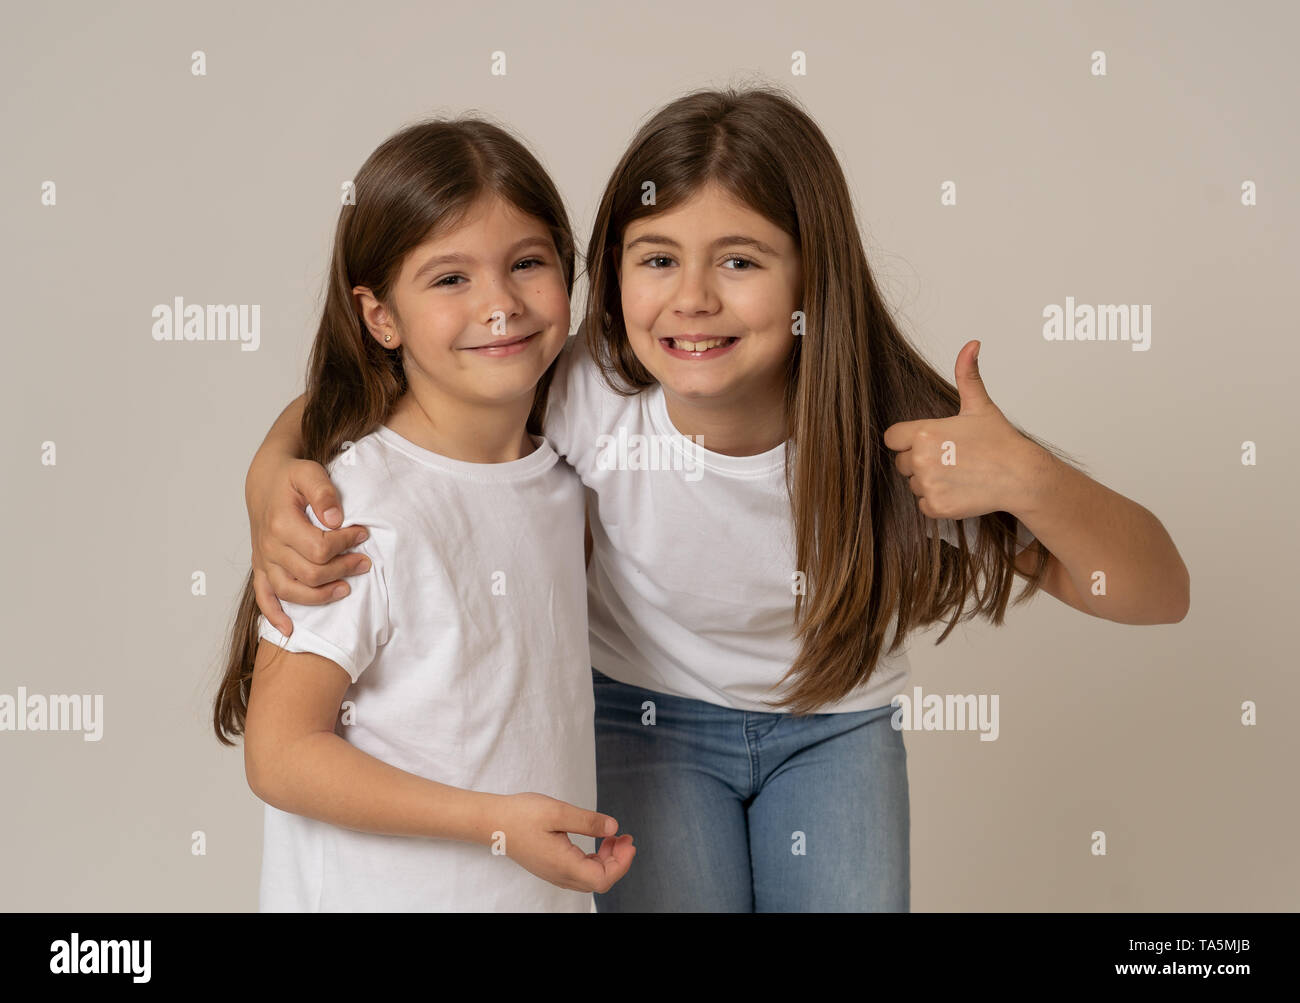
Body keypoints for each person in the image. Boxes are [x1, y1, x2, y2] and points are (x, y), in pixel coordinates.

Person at [241, 86, 1189, 911]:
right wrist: (270, 470)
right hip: (650, 722)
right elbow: (403, 393)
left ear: (813, 274)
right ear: (612, 273)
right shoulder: (586, 395)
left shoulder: (892, 434)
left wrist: (1029, 475)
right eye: (657, 259)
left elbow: (1156, 590)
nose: (691, 299)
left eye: (739, 261)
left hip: (835, 727)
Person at [213, 116, 635, 912]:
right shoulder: (354, 508)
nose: (500, 304)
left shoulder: (564, 471)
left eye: (527, 264)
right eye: (450, 279)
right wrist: (495, 824)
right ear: (380, 317)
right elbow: (280, 753)